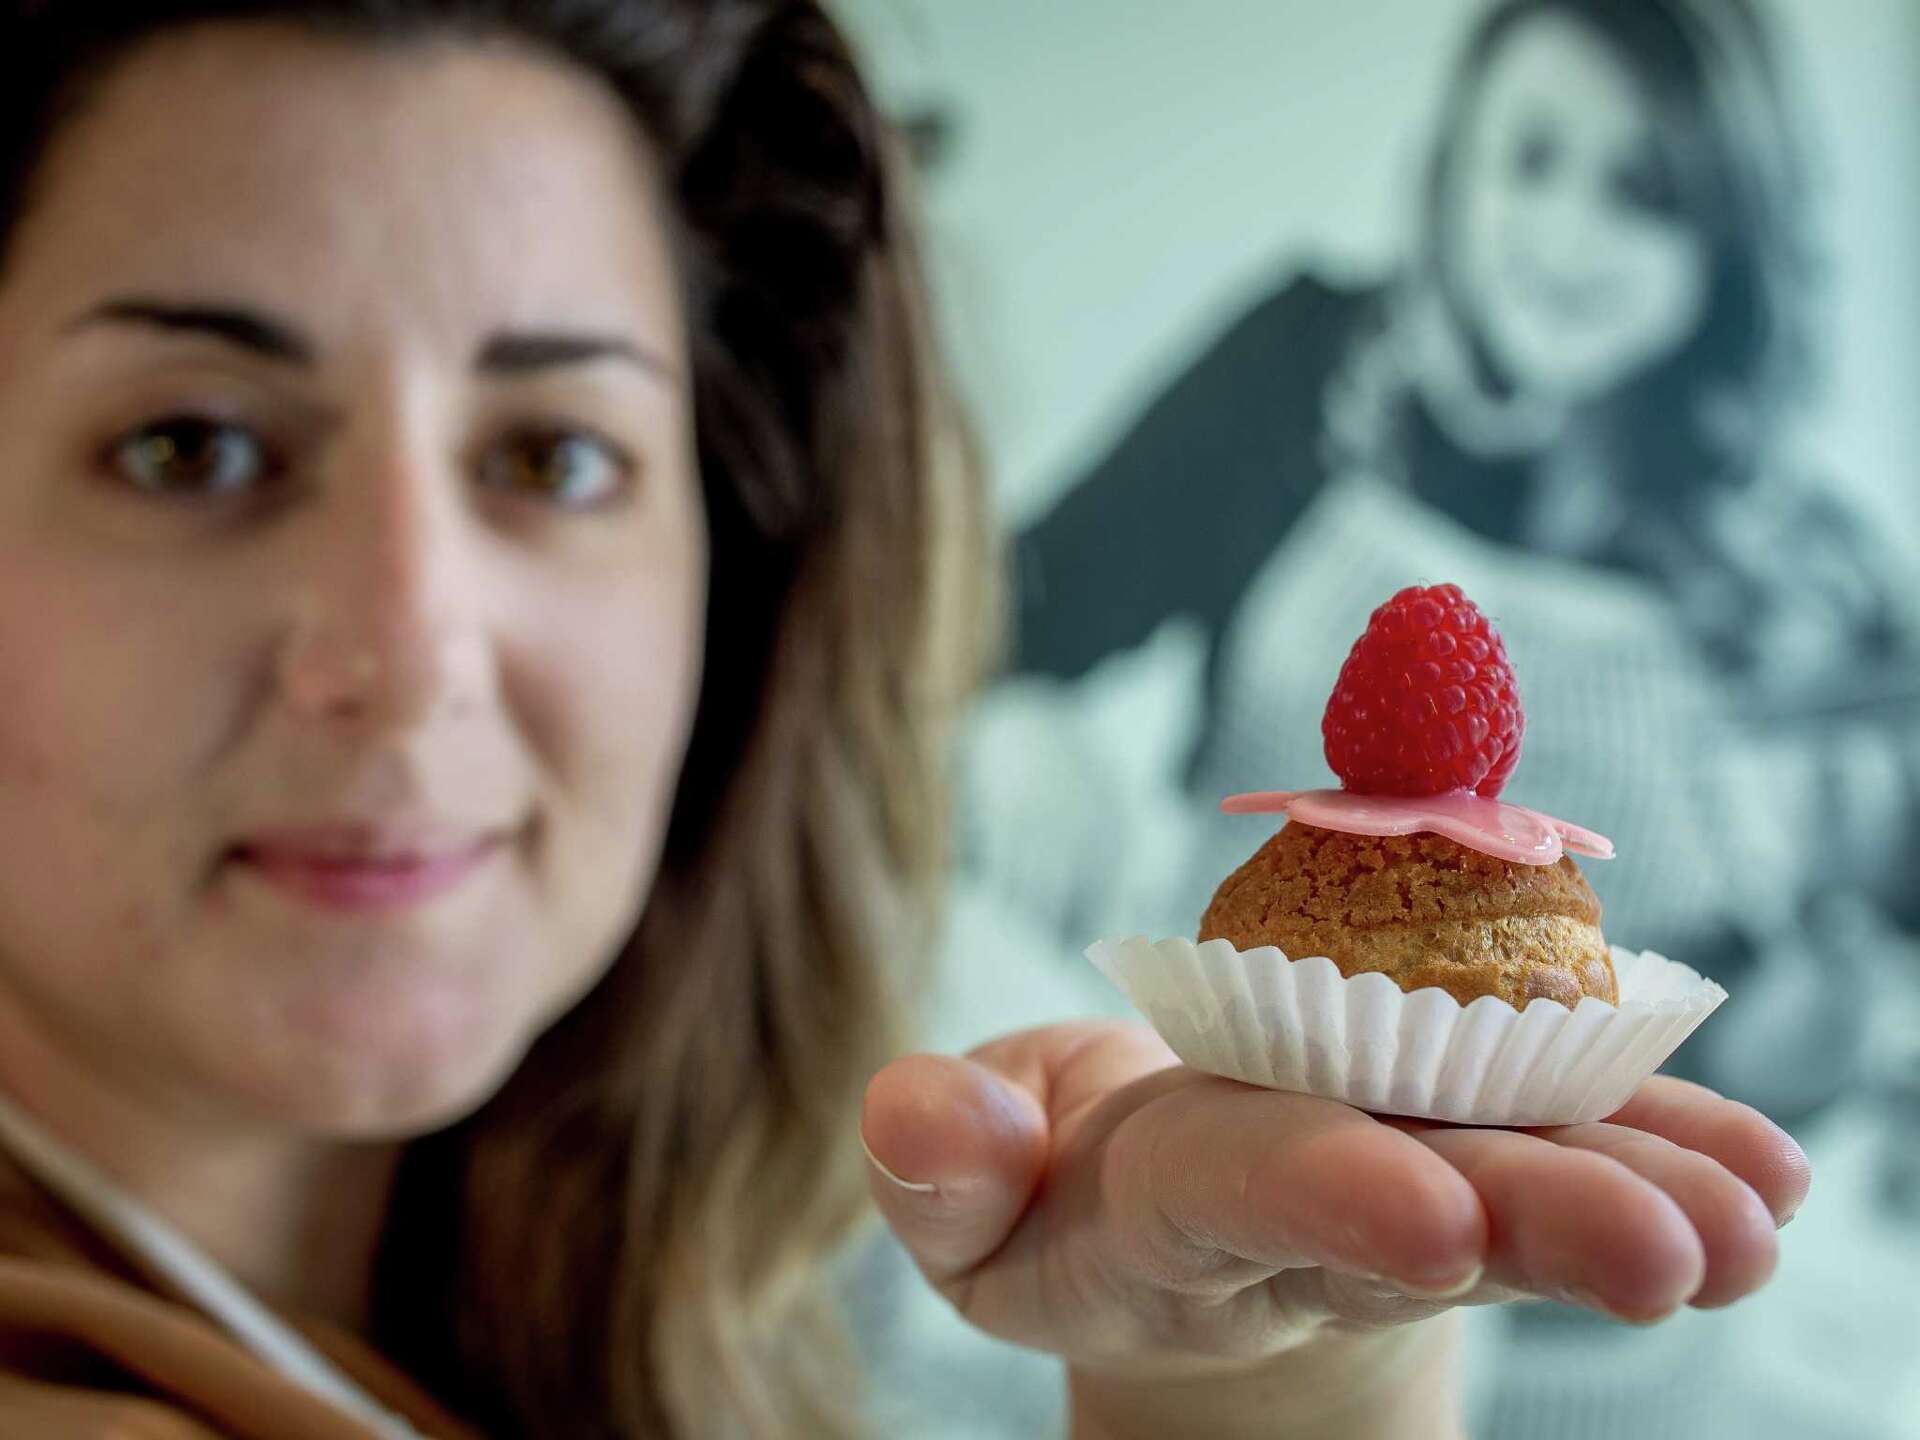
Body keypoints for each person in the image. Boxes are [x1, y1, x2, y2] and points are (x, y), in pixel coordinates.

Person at [0, 3, 1806, 1437]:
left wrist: (1256, 1366)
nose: (411, 651)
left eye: (554, 455)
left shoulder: (865, 1295)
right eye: (191, 446)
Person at [982, 0, 1917, 1128]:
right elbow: (1004, 611)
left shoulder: (1805, 574)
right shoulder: (1308, 370)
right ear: (1456, 159)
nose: (1567, 237)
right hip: (1225, 1095)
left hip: (1591, 1184)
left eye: (1644, 195)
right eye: (1529, 161)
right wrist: (1009, 721)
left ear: (1729, 243)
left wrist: (1817, 1023)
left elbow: (1817, 991)